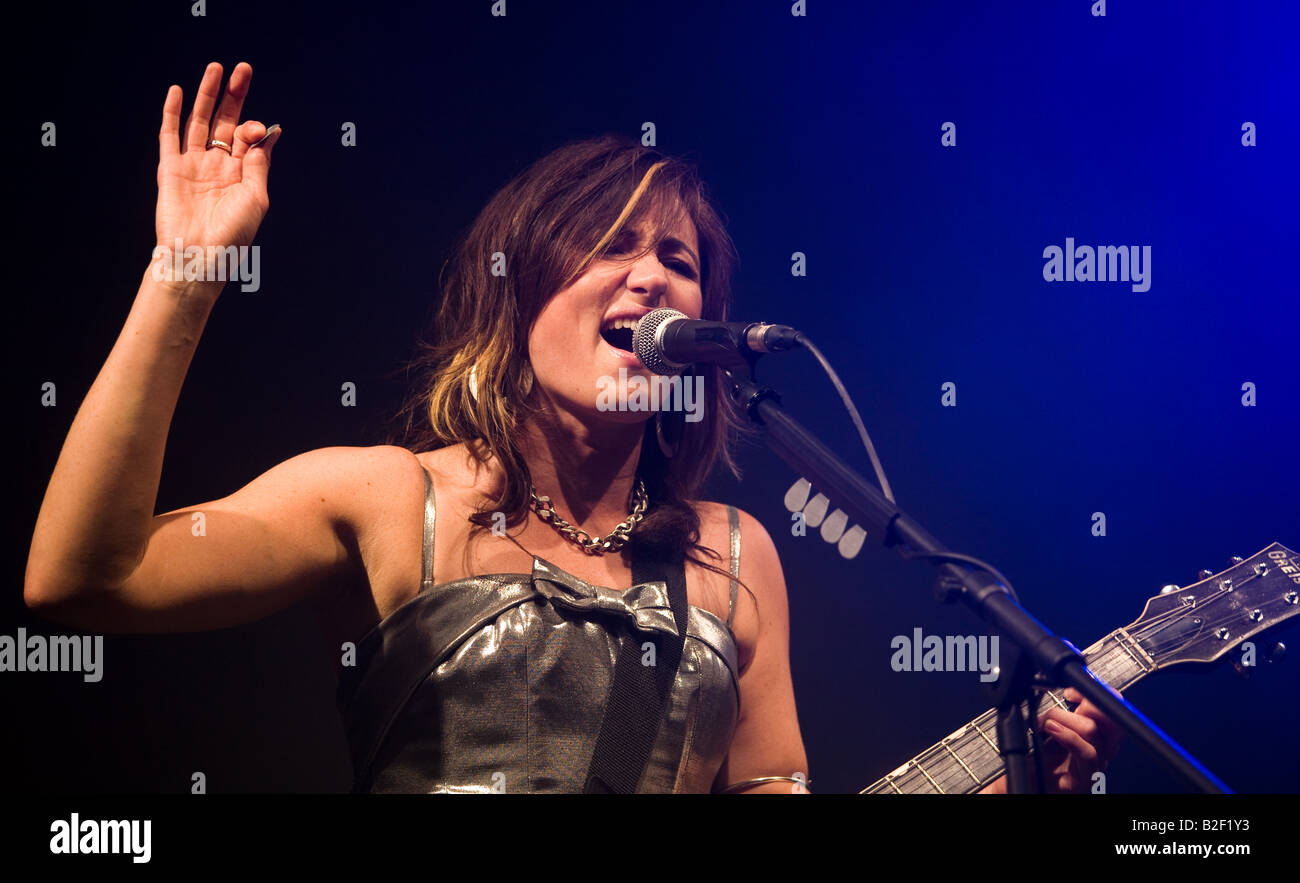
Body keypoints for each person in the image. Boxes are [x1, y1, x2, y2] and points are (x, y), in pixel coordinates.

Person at [23, 61, 1120, 793]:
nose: (649, 274)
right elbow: (81, 578)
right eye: (610, 244)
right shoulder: (386, 497)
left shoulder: (735, 556)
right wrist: (187, 273)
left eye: (679, 262)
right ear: (519, 290)